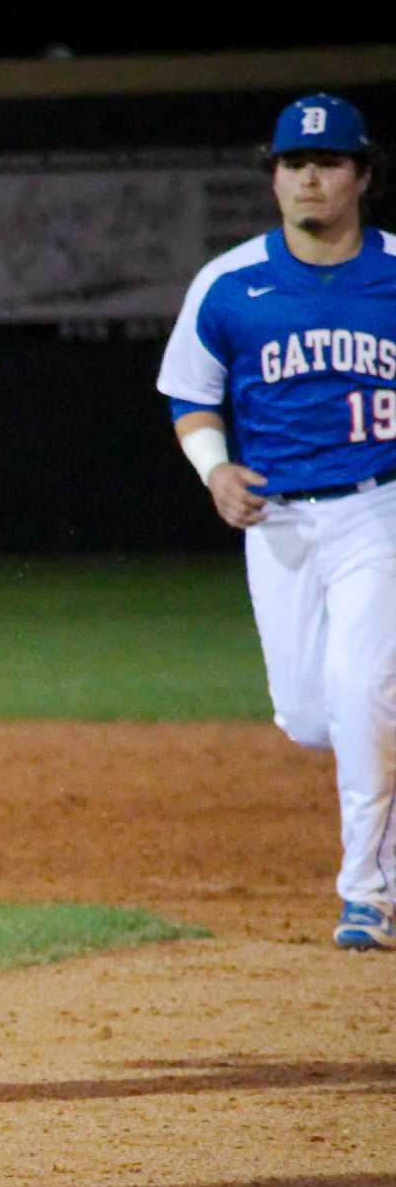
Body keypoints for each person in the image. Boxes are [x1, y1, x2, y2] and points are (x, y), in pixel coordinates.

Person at [157, 94, 396, 951]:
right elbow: (191, 393)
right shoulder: (229, 283)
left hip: (379, 506)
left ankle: (367, 891)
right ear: (274, 179)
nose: (309, 178)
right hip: (278, 521)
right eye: (294, 164)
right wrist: (213, 468)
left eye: (329, 162)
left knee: (365, 692)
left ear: (362, 175)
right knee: (310, 713)